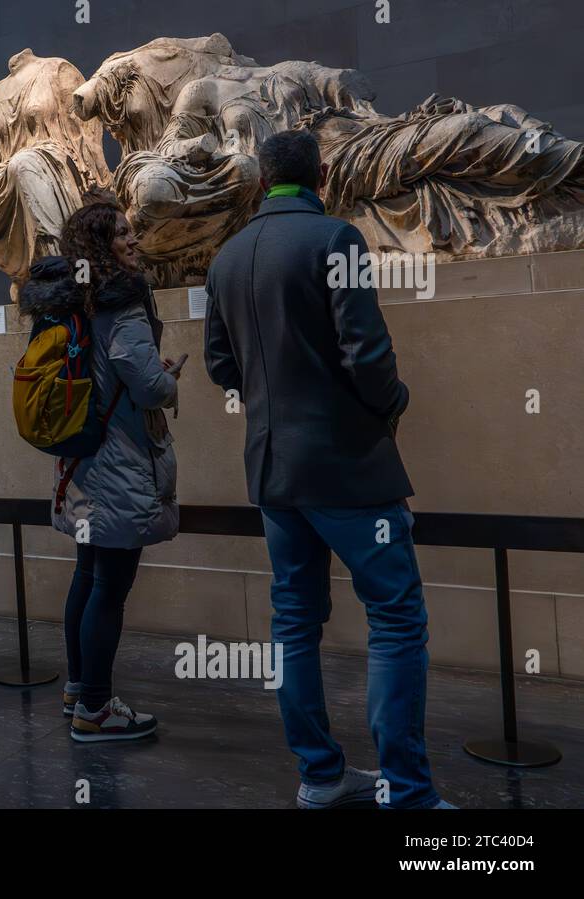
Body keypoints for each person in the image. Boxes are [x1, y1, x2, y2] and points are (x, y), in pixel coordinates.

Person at [203, 129, 452, 809]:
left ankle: (318, 774)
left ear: (261, 182)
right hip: (348, 468)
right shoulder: (336, 239)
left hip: (272, 473)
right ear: (321, 176)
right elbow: (366, 354)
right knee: (397, 617)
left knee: (293, 622)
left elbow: (220, 366)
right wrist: (392, 403)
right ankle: (404, 789)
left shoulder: (225, 259)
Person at [19, 202, 182, 742]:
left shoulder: (73, 303)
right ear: (100, 247)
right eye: (121, 235)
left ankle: (77, 690)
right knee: (109, 589)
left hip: (84, 462)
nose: (132, 241)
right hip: (120, 464)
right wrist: (168, 378)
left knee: (87, 580)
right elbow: (145, 384)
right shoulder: (122, 303)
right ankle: (95, 709)